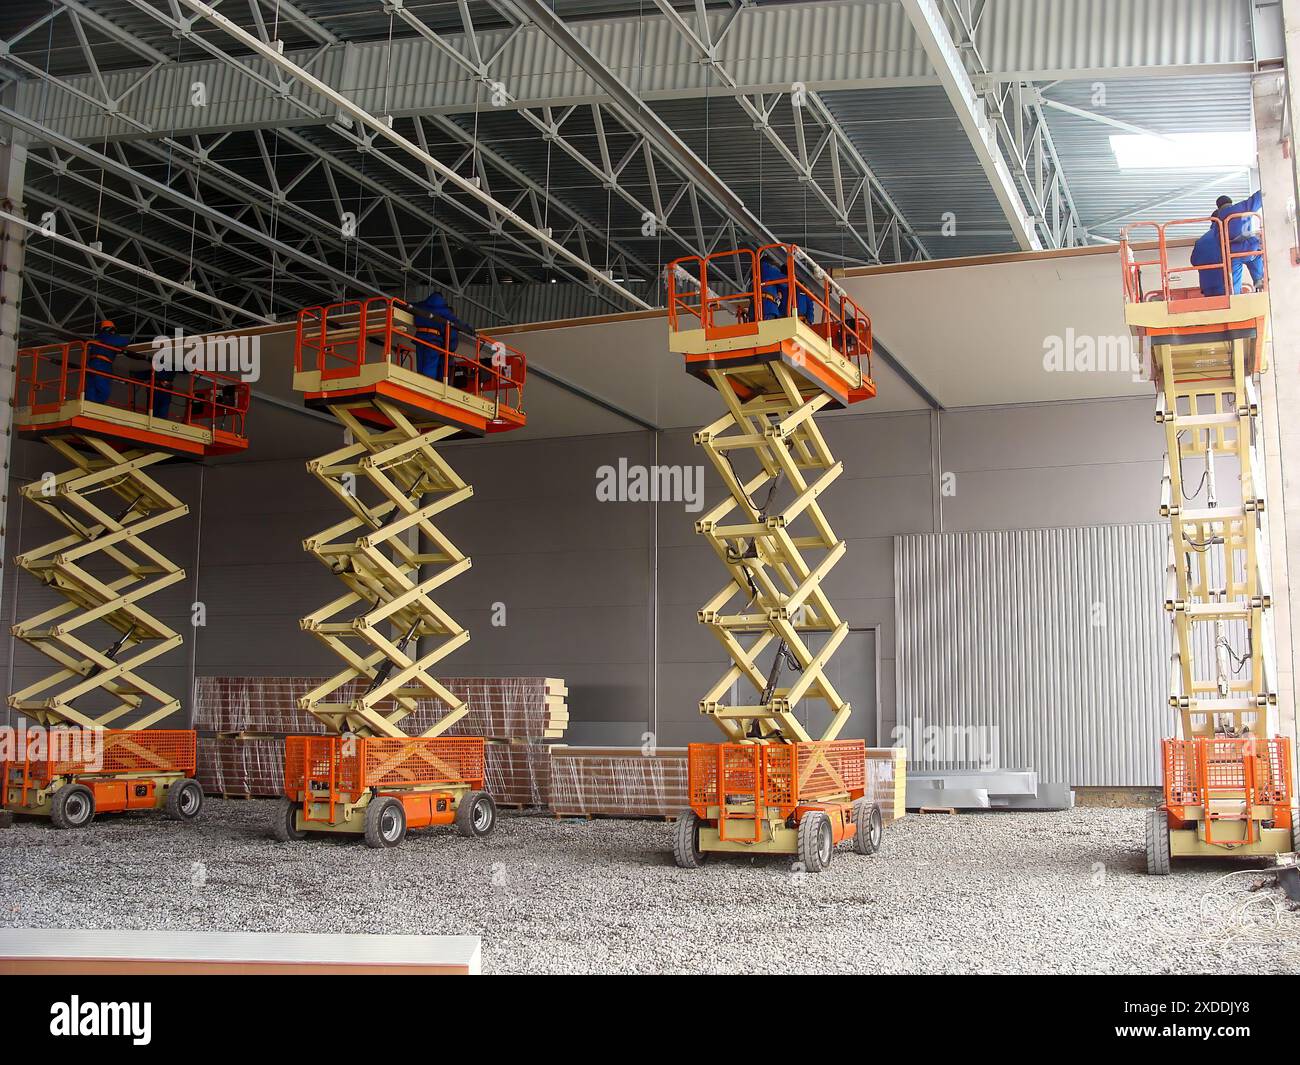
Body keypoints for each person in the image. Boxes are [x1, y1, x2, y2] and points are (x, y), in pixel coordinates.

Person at [1191, 191, 1264, 297]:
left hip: (1207, 289)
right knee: (1254, 253)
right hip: (1227, 286)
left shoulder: (1201, 241)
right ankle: (1258, 280)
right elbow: (1242, 251)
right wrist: (1256, 241)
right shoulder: (1224, 233)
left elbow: (1194, 261)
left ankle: (1258, 279)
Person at [410, 291, 475, 383]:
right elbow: (456, 323)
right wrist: (470, 329)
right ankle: (427, 386)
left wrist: (390, 301)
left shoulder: (422, 305)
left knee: (420, 364)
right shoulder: (443, 309)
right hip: (433, 340)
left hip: (420, 338)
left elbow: (407, 305)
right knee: (430, 365)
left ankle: (421, 383)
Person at [84, 319, 130, 404]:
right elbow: (124, 341)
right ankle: (97, 406)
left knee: (92, 387)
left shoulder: (98, 338)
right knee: (104, 391)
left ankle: (88, 404)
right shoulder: (107, 337)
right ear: (111, 330)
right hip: (102, 365)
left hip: (92, 364)